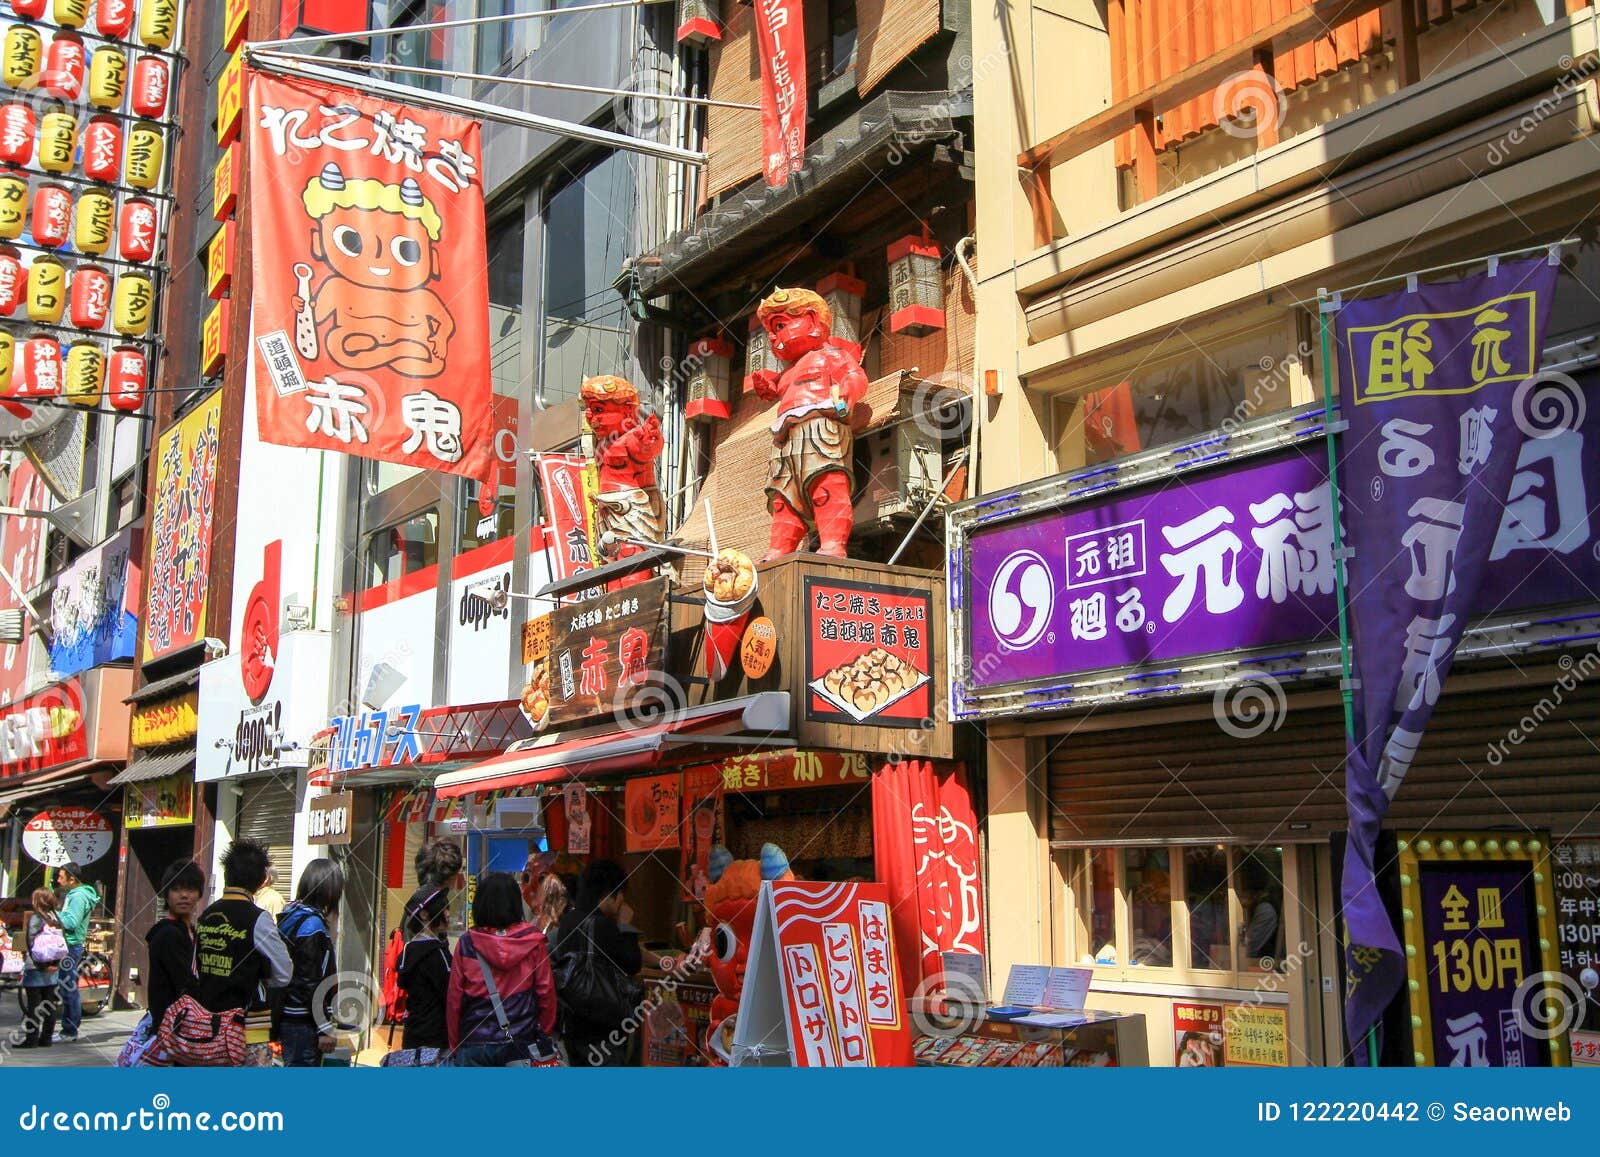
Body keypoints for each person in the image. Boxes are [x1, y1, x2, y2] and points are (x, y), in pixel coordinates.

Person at [190, 839, 291, 1066]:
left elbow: (195, 970)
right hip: (249, 1023)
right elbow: (284, 973)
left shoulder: (206, 915)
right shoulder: (258, 918)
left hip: (207, 1022)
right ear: (260, 880)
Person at [446, 872, 557, 1066]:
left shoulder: (467, 943)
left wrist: (456, 1045)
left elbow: (454, 999)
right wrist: (542, 1032)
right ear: (516, 903)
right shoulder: (533, 942)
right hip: (522, 1043)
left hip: (474, 1044)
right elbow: (546, 993)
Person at [553, 860, 646, 1067]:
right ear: (610, 893)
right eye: (621, 894)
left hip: (573, 1024)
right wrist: (625, 924)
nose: (622, 901)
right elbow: (632, 963)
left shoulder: (568, 920)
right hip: (603, 1027)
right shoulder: (603, 925)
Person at [276, 859, 344, 1067]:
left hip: (287, 1014)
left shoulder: (292, 915)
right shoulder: (312, 925)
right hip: (303, 1022)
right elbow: (311, 981)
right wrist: (324, 1028)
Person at [145, 860, 204, 1032]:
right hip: (172, 1028)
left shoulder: (190, 930)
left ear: (199, 894)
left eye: (190, 890)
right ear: (166, 894)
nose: (184, 895)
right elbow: (185, 982)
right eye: (176, 890)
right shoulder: (168, 934)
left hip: (183, 1023)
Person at [397, 886, 451, 1052]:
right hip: (437, 1040)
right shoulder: (437, 953)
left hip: (411, 1036)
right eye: (443, 908)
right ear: (424, 914)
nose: (447, 914)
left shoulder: (407, 950)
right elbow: (450, 994)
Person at [54, 861, 100, 1042]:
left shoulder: (78, 896)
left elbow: (72, 922)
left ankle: (69, 1030)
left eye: (61, 876)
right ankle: (68, 1029)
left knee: (68, 987)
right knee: (66, 986)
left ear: (72, 879)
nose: (58, 880)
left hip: (71, 945)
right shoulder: (75, 894)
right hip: (69, 945)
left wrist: (54, 915)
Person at [20, 889, 64, 1049]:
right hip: (53, 968)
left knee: (33, 1006)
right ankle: (46, 1039)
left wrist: (38, 960)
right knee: (48, 1005)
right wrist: (53, 963)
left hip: (36, 968)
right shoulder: (55, 918)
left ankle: (31, 1039)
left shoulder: (36, 918)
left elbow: (30, 941)